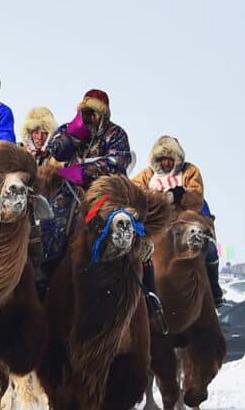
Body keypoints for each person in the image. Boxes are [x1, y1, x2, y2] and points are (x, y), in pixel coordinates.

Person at [47, 89, 161, 325]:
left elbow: (116, 162)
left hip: (105, 192)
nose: (92, 119)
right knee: (52, 223)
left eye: (95, 114)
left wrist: (83, 172)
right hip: (70, 191)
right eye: (87, 114)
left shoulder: (116, 134)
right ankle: (44, 276)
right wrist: (74, 134)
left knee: (128, 230)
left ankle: (149, 293)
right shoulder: (69, 130)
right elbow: (56, 151)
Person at [134, 135, 224, 305]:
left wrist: (181, 195)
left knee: (208, 247)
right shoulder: (147, 175)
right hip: (157, 220)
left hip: (186, 218)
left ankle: (214, 288)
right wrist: (160, 197)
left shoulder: (190, 171)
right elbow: (135, 191)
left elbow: (197, 197)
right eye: (162, 160)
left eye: (170, 160)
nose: (166, 163)